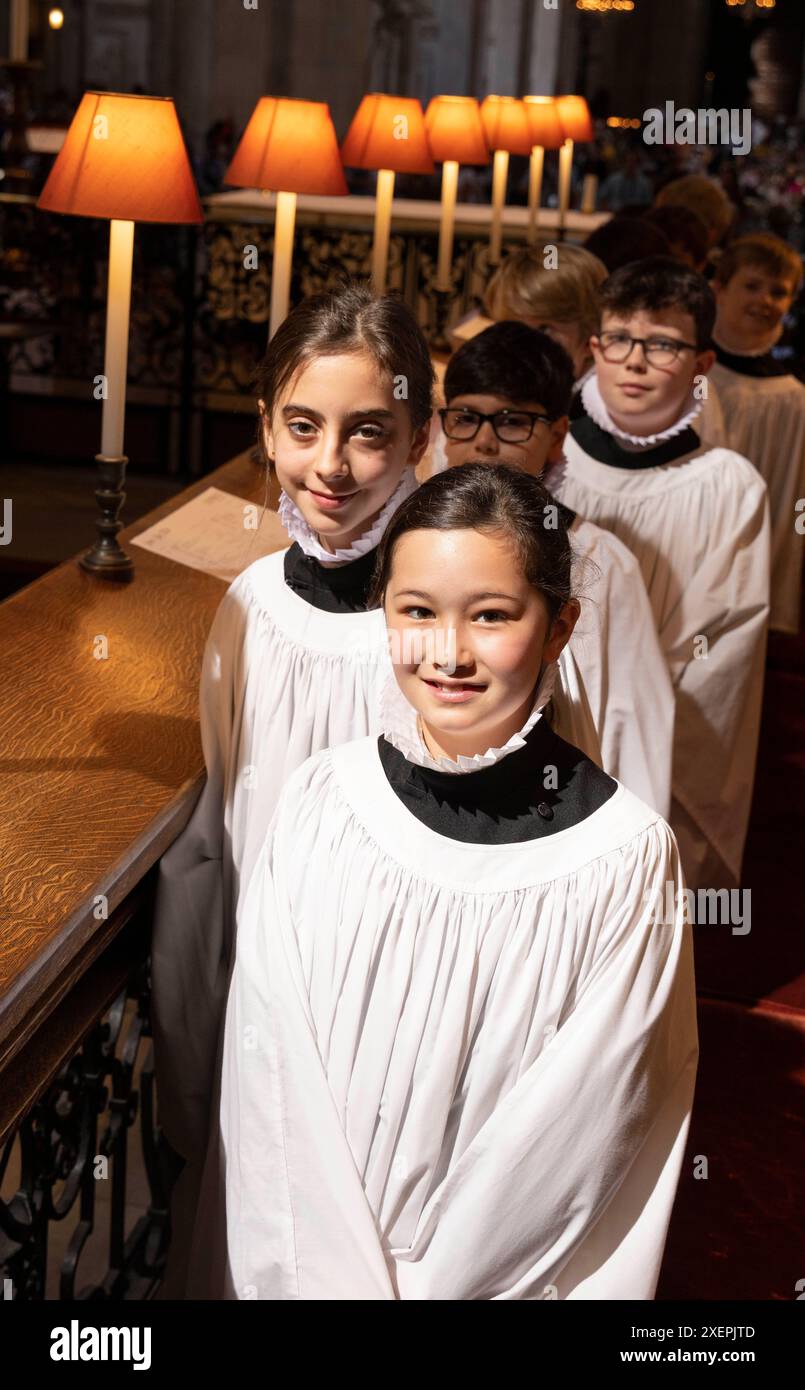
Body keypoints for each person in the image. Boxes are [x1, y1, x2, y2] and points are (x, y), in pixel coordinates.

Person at [193, 464, 699, 1301]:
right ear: (381, 615)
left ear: (560, 625)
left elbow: (578, 1143)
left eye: (492, 616)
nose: (448, 654)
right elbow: (270, 1077)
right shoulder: (323, 803)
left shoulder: (622, 861)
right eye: (416, 612)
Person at [150, 281, 433, 1295]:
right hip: (267, 1017)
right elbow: (216, 836)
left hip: (400, 1029)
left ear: (421, 435)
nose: (332, 467)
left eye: (370, 432)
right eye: (303, 426)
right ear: (264, 427)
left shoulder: (449, 627)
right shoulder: (251, 608)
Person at [545, 257, 771, 893]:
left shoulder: (728, 487)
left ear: (702, 365)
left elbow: (718, 648)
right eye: (620, 339)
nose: (634, 361)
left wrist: (623, 727)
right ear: (595, 347)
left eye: (663, 345)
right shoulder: (548, 453)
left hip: (653, 746)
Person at [432, 320, 674, 816]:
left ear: (558, 435)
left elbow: (632, 723)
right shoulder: (419, 545)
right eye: (466, 418)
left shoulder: (601, 561)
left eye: (512, 422)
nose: (484, 442)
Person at [711, 232, 805, 633]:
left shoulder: (793, 401)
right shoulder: (690, 376)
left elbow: (790, 503)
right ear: (719, 289)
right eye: (751, 286)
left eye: (778, 293)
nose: (765, 300)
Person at [483, 244, 607, 413]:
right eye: (510, 328)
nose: (521, 347)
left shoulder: (600, 414)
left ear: (591, 337)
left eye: (543, 330)